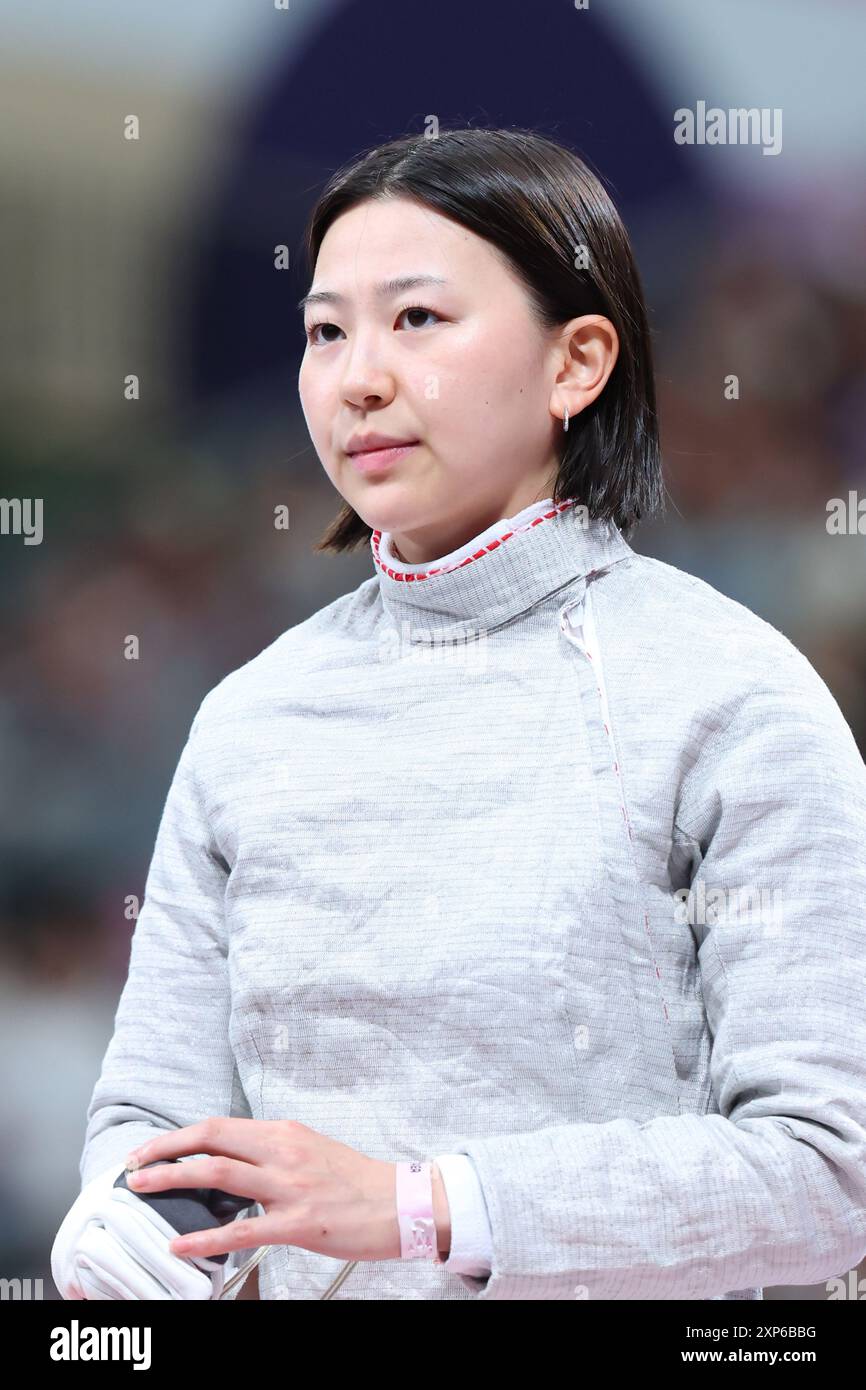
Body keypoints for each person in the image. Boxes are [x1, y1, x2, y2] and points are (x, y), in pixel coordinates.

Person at [52, 126, 866, 1301]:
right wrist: (124, 1220)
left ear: (576, 362)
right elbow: (157, 1114)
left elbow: (824, 1171)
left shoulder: (731, 698)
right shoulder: (250, 718)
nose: (358, 375)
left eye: (417, 320)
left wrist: (413, 1209)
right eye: (325, 330)